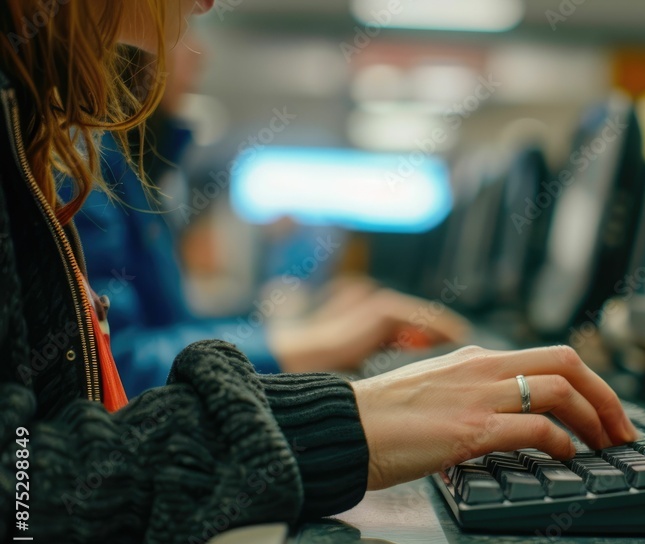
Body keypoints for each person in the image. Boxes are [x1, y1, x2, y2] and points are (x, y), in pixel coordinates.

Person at [0, 1, 637, 544]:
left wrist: (318, 387)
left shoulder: (35, 123)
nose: (207, 11)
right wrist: (324, 418)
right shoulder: (62, 139)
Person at [72, 35, 468, 396]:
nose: (201, 53)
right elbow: (114, 368)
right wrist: (321, 342)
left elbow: (175, 329)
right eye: (183, 24)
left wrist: (306, 328)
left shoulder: (123, 163)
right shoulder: (83, 160)